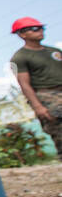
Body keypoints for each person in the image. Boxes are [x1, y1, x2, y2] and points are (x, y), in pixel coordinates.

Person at [10, 17, 62, 152]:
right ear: (22, 34)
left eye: (41, 28)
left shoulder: (55, 51)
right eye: (34, 29)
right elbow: (24, 84)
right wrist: (38, 106)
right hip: (47, 96)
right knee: (60, 133)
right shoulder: (19, 57)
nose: (40, 31)